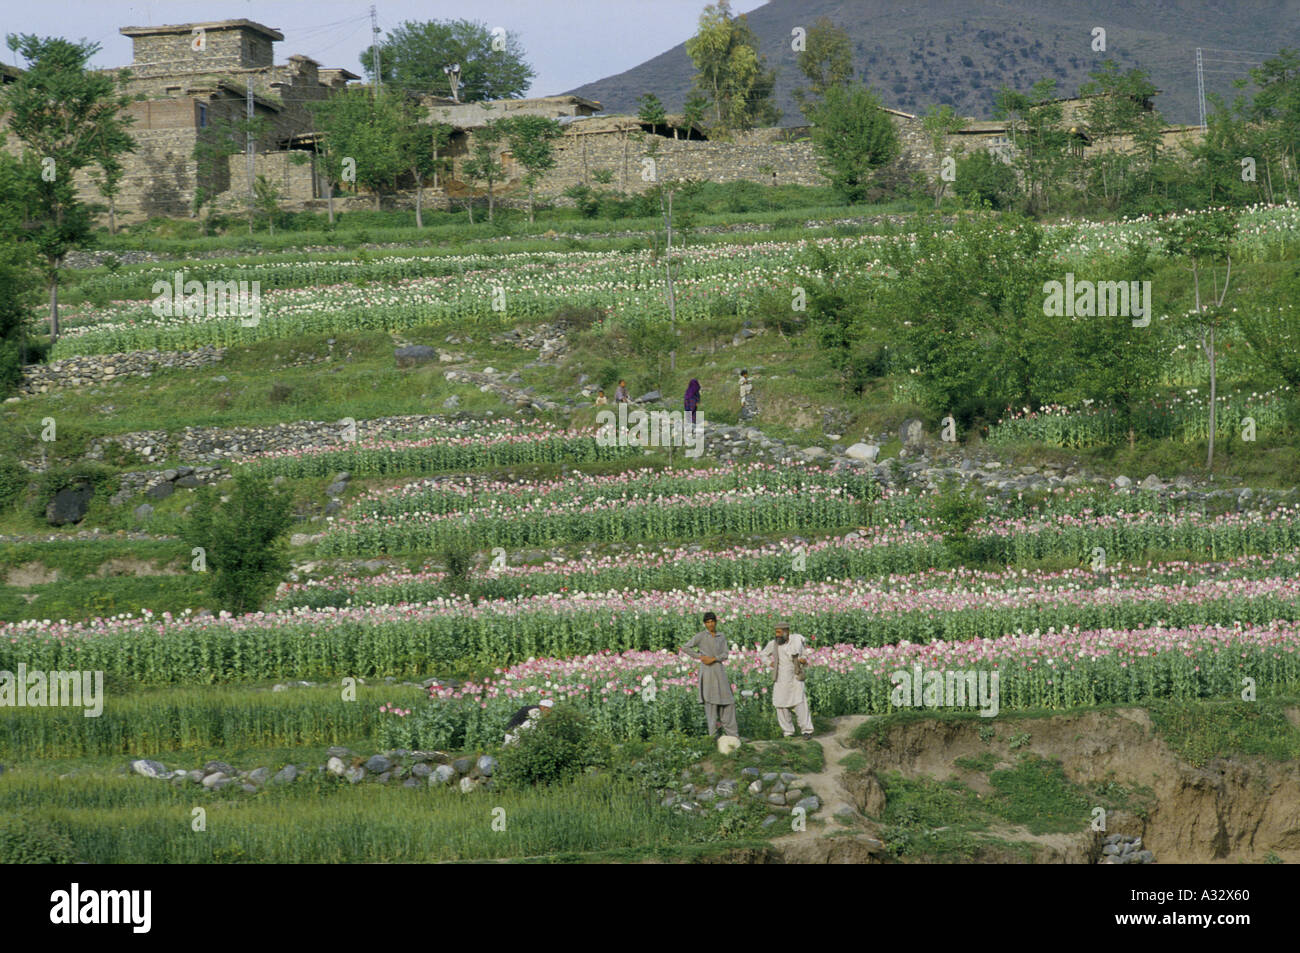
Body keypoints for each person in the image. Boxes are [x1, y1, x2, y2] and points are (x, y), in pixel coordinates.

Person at [681, 611, 739, 739]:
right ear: (705, 624)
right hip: (707, 672)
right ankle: (713, 738)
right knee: (711, 703)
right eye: (708, 622)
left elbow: (725, 654)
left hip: (719, 670)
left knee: (728, 701)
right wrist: (700, 657)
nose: (710, 624)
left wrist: (714, 659)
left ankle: (733, 736)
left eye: (712, 621)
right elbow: (685, 647)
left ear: (716, 622)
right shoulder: (701, 636)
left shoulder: (721, 636)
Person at [758, 621, 813, 739]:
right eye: (776, 632)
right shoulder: (773, 644)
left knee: (800, 704)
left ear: (786, 632)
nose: (777, 635)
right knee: (781, 705)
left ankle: (806, 731)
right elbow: (763, 654)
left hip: (795, 678)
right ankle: (788, 732)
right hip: (781, 679)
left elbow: (804, 654)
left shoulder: (796, 641)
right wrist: (770, 663)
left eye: (779, 632)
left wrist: (803, 659)